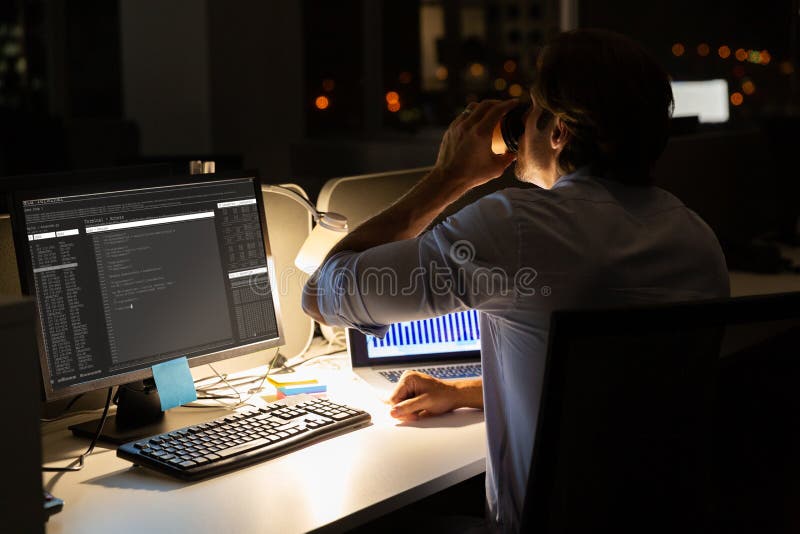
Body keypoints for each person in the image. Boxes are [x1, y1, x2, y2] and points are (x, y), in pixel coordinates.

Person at [302, 29, 730, 532]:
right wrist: (466, 391)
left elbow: (323, 295)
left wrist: (451, 176)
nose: (520, 124)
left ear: (559, 131)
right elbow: (614, 390)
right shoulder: (697, 240)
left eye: (530, 109)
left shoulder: (519, 227)